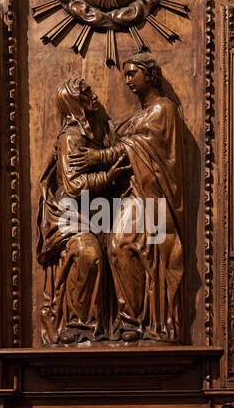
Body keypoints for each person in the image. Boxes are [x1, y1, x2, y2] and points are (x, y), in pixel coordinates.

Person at [73, 51, 186, 343]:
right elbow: (124, 135)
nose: (127, 81)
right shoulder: (137, 115)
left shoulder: (164, 109)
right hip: (129, 193)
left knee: (121, 243)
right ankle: (129, 319)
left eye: (132, 73)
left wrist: (101, 156)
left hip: (151, 198)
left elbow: (142, 145)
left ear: (150, 75)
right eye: (124, 74)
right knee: (115, 247)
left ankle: (137, 320)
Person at [36, 77, 129, 344]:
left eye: (90, 89)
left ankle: (123, 323)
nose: (94, 95)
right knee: (88, 253)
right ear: (74, 102)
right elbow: (74, 186)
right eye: (86, 92)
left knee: (125, 246)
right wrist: (108, 176)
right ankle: (79, 326)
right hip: (69, 216)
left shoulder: (96, 132)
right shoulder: (70, 138)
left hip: (98, 213)